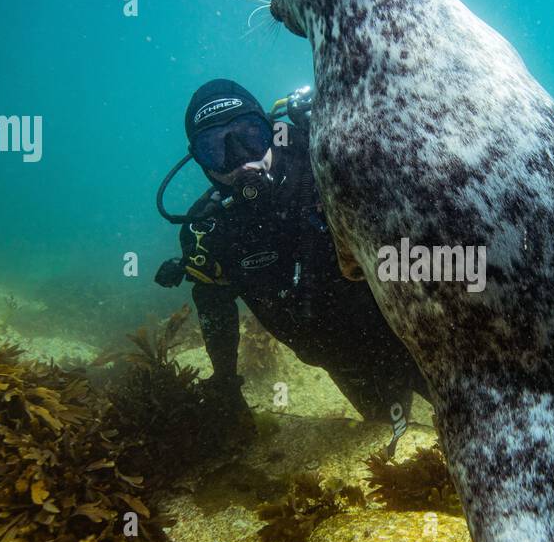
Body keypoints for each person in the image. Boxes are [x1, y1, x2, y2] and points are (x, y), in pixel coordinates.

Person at [154, 78, 427, 454]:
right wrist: (225, 382)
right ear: (199, 161)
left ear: (269, 128)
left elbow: (409, 167)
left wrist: (339, 118)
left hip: (414, 335)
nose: (240, 158)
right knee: (387, 440)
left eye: (250, 135)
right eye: (215, 148)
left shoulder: (319, 156)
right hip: (346, 361)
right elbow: (215, 307)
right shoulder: (209, 231)